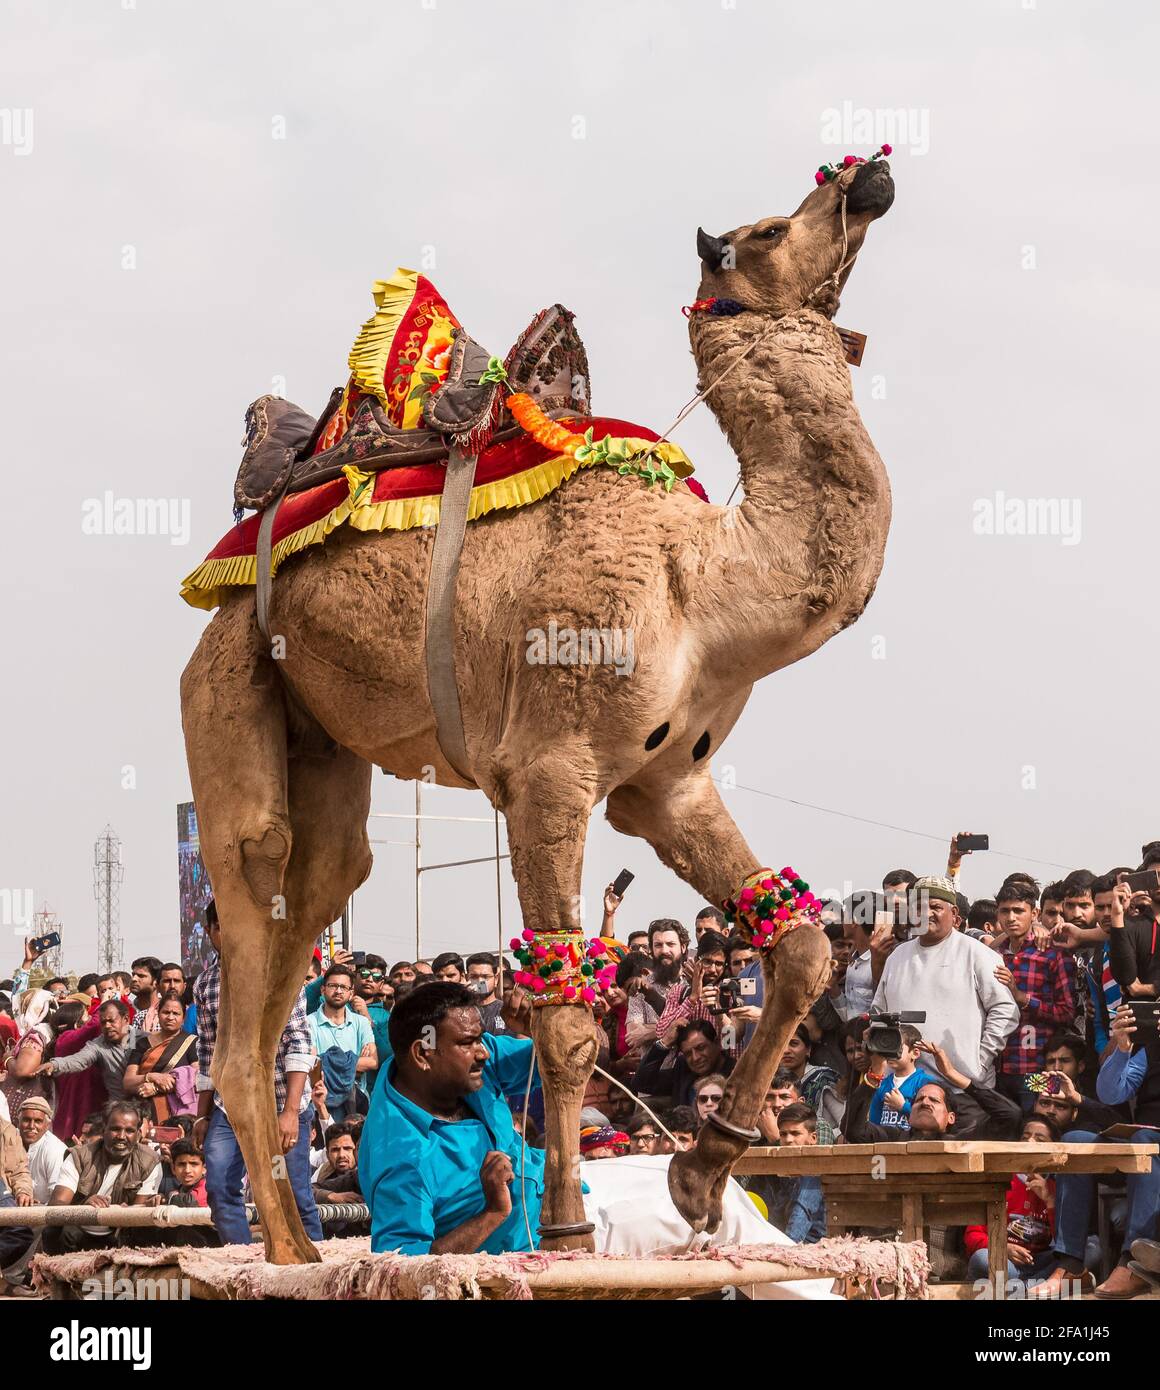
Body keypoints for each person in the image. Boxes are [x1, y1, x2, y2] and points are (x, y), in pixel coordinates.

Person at [359, 982, 541, 1254]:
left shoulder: (463, 1061)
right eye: (468, 1043)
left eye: (480, 1039)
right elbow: (402, 1269)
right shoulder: (400, 1157)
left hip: (585, 1195)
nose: (484, 1052)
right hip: (529, 1260)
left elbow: (569, 1062)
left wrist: (540, 1028)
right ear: (423, 1054)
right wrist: (492, 1213)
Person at [192, 900, 322, 1248]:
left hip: (283, 1099)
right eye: (221, 927)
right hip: (229, 1106)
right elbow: (208, 1054)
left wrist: (291, 1112)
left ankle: (318, 1276)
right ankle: (243, 1265)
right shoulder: (205, 985)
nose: (230, 934)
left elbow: (298, 1043)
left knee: (293, 1193)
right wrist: (201, 1115)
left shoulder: (280, 973)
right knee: (219, 1187)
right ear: (211, 931)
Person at [1033, 1002, 1160, 1300]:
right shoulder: (1150, 1047)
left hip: (1148, 1145)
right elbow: (1112, 1092)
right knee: (1077, 1140)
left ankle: (1134, 1264)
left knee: (1143, 1140)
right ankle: (1071, 1264)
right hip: (1145, 1146)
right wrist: (1122, 1047)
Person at [872, 875, 1020, 1087]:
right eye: (918, 907)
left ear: (954, 914)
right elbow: (879, 1012)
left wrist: (980, 1062)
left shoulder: (978, 954)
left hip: (962, 1087)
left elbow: (1005, 1010)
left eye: (935, 907)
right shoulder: (897, 956)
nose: (926, 914)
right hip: (902, 1089)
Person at [44, 1101, 162, 1256]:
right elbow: (56, 1204)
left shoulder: (150, 1161)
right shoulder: (79, 1156)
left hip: (119, 1235)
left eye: (129, 1131)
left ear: (138, 1134)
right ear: (104, 1129)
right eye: (115, 1129)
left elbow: (136, 1215)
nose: (121, 1136)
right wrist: (83, 1206)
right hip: (76, 1232)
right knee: (52, 1230)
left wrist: (141, 1208)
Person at [992, 879, 1077, 1095]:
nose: (1011, 918)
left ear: (1034, 913)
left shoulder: (1054, 954)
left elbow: (1067, 1013)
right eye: (1005, 911)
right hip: (997, 1069)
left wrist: (1023, 998)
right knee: (1006, 1125)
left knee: (1039, 1123)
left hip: (1039, 1070)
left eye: (1018, 910)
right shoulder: (992, 955)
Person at [964, 1115, 1062, 1287]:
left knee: (1088, 1250)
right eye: (1025, 1137)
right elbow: (972, 1235)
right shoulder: (1001, 1180)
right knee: (980, 1259)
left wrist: (1049, 1201)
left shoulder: (1056, 1187)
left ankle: (1020, 1288)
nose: (1030, 1141)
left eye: (1039, 1139)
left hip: (1038, 1262)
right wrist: (1003, 1248)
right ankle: (1029, 1289)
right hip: (1003, 1261)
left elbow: (1063, 1242)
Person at [307, 964, 378, 1120]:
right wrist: (354, 1064)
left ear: (351, 993)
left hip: (357, 1103)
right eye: (333, 986)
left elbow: (373, 1061)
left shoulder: (361, 1022)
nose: (338, 991)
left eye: (343, 987)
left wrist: (326, 1060)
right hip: (320, 1102)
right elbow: (312, 1066)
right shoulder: (309, 1023)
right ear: (323, 989)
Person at [38, 998, 139, 1101]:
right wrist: (54, 1064)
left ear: (126, 1019)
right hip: (119, 1108)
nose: (107, 1026)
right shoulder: (98, 1045)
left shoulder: (143, 1039)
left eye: (111, 1021)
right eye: (103, 1022)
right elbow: (78, 1059)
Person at [122, 992, 198, 1123]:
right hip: (142, 1109)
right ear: (158, 1013)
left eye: (176, 1013)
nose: (170, 1017)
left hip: (177, 1113)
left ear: (184, 1017)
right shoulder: (142, 1043)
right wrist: (152, 1077)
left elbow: (196, 1079)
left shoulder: (192, 1042)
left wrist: (156, 1088)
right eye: (166, 1012)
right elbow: (128, 1082)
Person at [635, 1018, 734, 1109]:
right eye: (688, 1053)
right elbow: (643, 1083)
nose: (696, 1058)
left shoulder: (736, 1073)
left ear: (717, 1043)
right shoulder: (683, 1069)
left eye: (701, 1048)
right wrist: (665, 1042)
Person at [867, 1024, 934, 1130]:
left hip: (912, 1142)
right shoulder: (881, 1084)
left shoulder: (926, 1083)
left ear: (915, 1053)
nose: (891, 1054)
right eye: (888, 1048)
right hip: (885, 1143)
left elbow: (931, 1119)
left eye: (897, 1048)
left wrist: (903, 1107)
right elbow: (873, 1124)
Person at [16, 1097, 66, 1202]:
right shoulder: (9, 1140)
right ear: (18, 1121)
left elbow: (58, 1198)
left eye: (38, 1121)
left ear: (47, 1125)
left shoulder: (54, 1149)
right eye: (26, 1120)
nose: (31, 1126)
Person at [465, 953, 506, 1034]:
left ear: (496, 979)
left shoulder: (506, 1010)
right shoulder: (460, 1012)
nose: (480, 981)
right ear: (467, 978)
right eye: (474, 977)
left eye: (485, 977)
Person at [130, 957, 164, 1033]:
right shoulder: (125, 1009)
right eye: (133, 974)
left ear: (156, 982)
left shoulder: (165, 1013)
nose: (134, 979)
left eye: (141, 976)